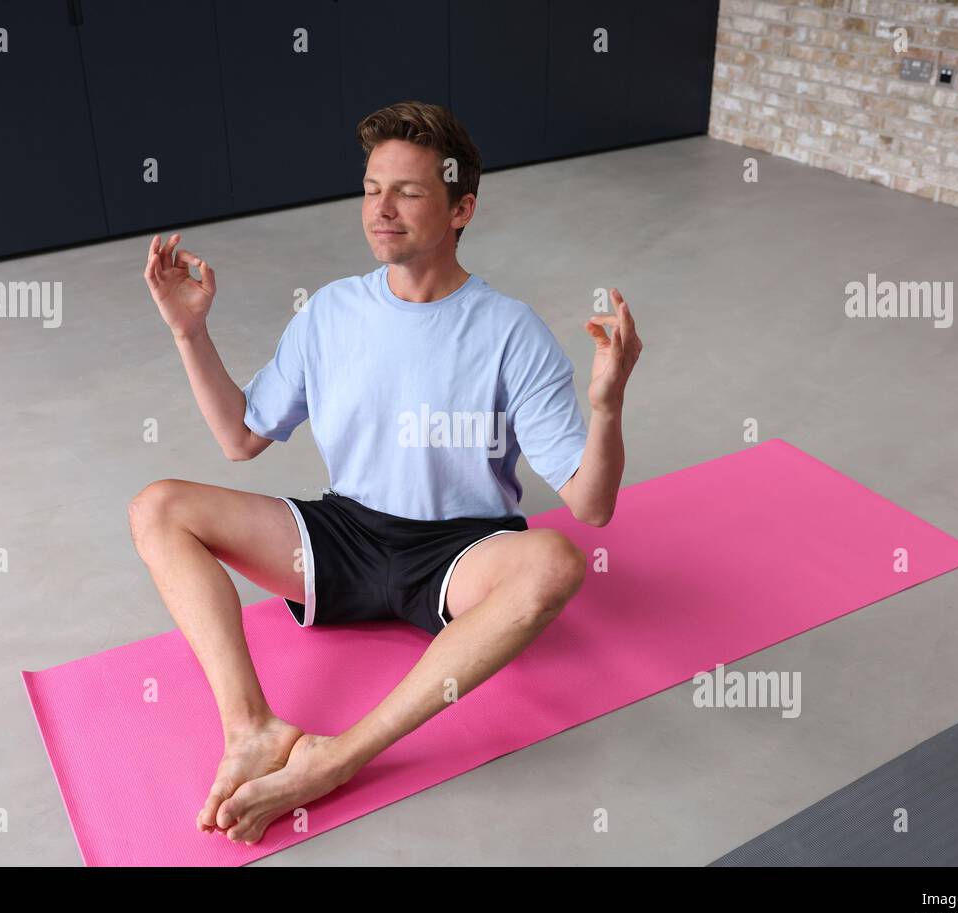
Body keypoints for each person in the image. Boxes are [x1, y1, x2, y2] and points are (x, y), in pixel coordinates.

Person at [133, 101, 642, 846]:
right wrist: (189, 330)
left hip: (459, 554)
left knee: (555, 560)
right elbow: (242, 437)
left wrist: (606, 404)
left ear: (461, 206)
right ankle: (250, 728)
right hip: (344, 534)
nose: (382, 208)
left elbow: (590, 506)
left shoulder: (511, 331)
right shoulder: (331, 311)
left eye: (407, 191)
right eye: (372, 188)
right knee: (158, 506)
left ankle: (338, 758)